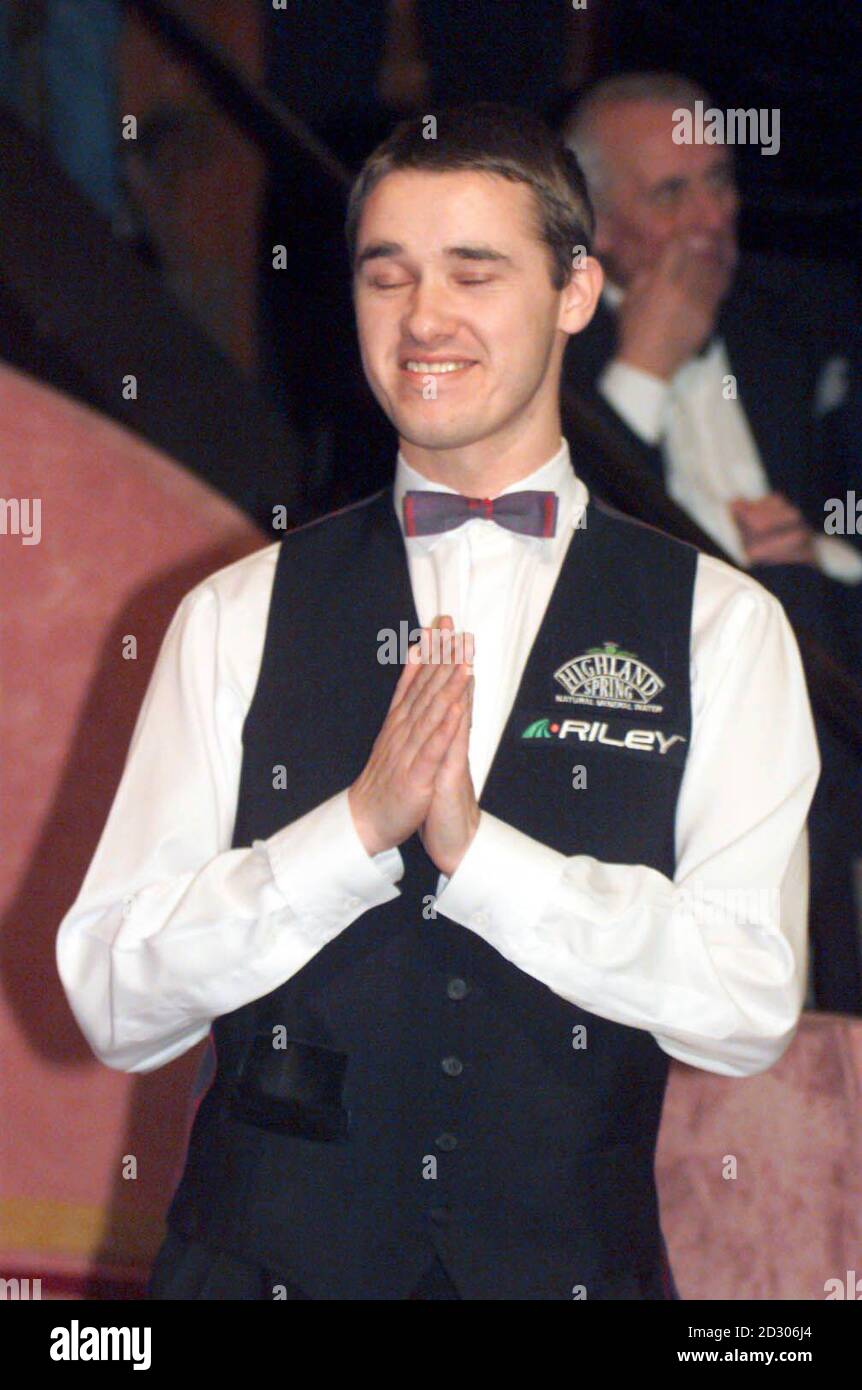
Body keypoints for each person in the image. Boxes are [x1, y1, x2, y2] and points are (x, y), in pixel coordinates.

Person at [56, 102, 819, 1301]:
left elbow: (749, 1002)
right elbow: (112, 996)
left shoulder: (723, 627)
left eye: (475, 273)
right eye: (387, 276)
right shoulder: (234, 612)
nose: (423, 320)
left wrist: (485, 858)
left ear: (576, 290)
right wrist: (349, 835)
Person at [561, 72, 862, 1013]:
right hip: (641, 712)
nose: (709, 220)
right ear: (598, 226)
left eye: (720, 182)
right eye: (670, 194)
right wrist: (643, 369)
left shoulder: (792, 328)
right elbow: (553, 553)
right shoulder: (542, 354)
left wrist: (822, 552)